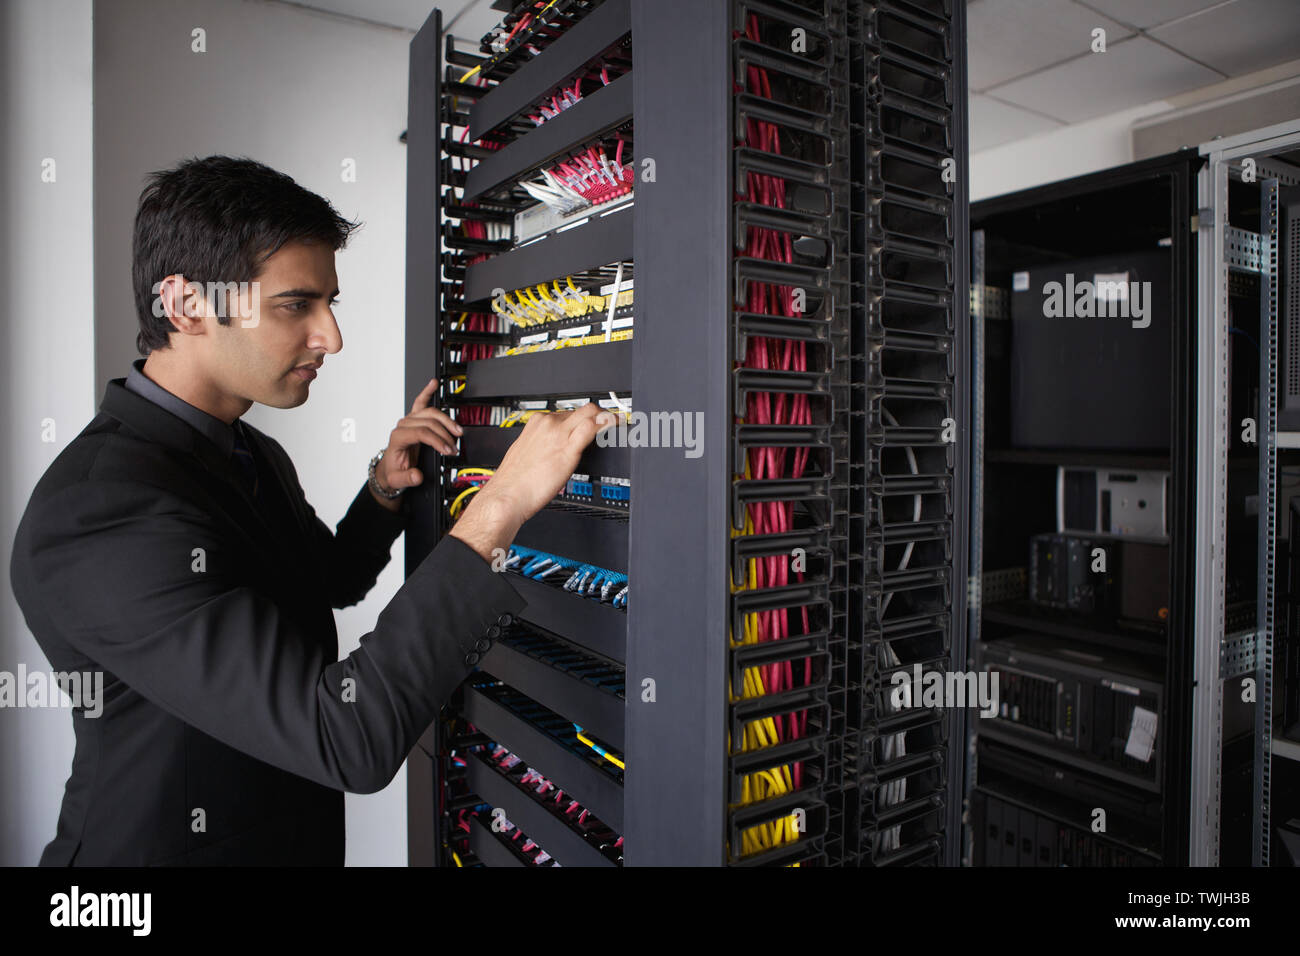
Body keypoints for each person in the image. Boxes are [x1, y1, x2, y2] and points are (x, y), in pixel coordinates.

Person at [9, 155, 612, 865]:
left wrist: (386, 489)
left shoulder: (247, 450)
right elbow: (345, 735)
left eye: (329, 303)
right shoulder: (100, 509)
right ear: (185, 305)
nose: (330, 336)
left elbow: (323, 582)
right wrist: (500, 505)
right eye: (297, 304)